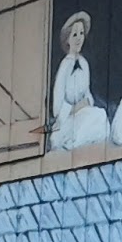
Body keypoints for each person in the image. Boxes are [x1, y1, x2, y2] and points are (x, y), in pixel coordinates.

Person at [48, 11, 110, 151]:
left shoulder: (84, 63)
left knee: (100, 116)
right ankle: (71, 144)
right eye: (74, 35)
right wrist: (74, 109)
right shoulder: (65, 66)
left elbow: (87, 94)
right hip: (67, 120)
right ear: (67, 40)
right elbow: (57, 106)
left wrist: (87, 102)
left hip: (82, 113)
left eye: (81, 33)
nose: (79, 38)